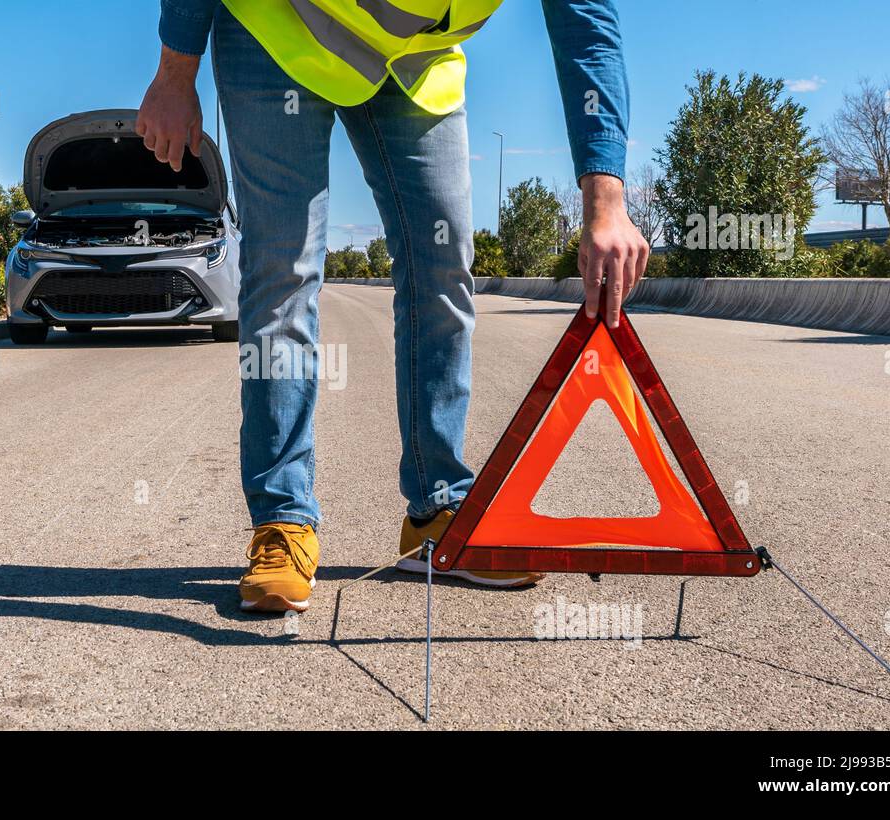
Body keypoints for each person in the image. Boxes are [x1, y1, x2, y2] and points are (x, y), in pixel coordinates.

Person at [138, 0, 648, 612]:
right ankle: (283, 520)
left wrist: (607, 202)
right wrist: (175, 72)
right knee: (283, 273)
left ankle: (438, 514)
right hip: (275, 33)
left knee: (443, 268)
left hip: (413, 65)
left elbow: (586, 32)